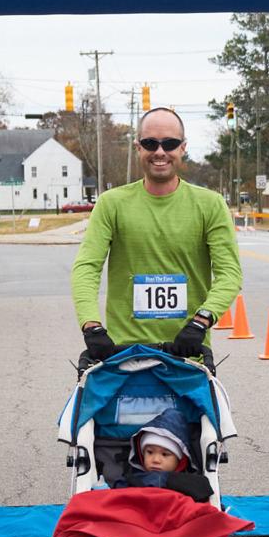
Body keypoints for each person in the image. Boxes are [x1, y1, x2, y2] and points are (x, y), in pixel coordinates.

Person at [71, 107, 242, 363]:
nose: (160, 152)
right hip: (124, 356)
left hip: (187, 355)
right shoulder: (111, 204)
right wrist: (91, 325)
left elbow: (229, 273)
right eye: (151, 143)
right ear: (138, 147)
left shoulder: (211, 205)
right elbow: (86, 267)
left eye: (169, 144)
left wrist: (202, 320)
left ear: (183, 147)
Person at [108, 408, 204, 537]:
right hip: (137, 523)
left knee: (185, 526)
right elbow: (118, 497)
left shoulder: (185, 481)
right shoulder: (133, 478)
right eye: (150, 452)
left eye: (165, 455)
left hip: (171, 522)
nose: (156, 459)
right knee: (121, 523)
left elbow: (201, 499)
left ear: (180, 460)